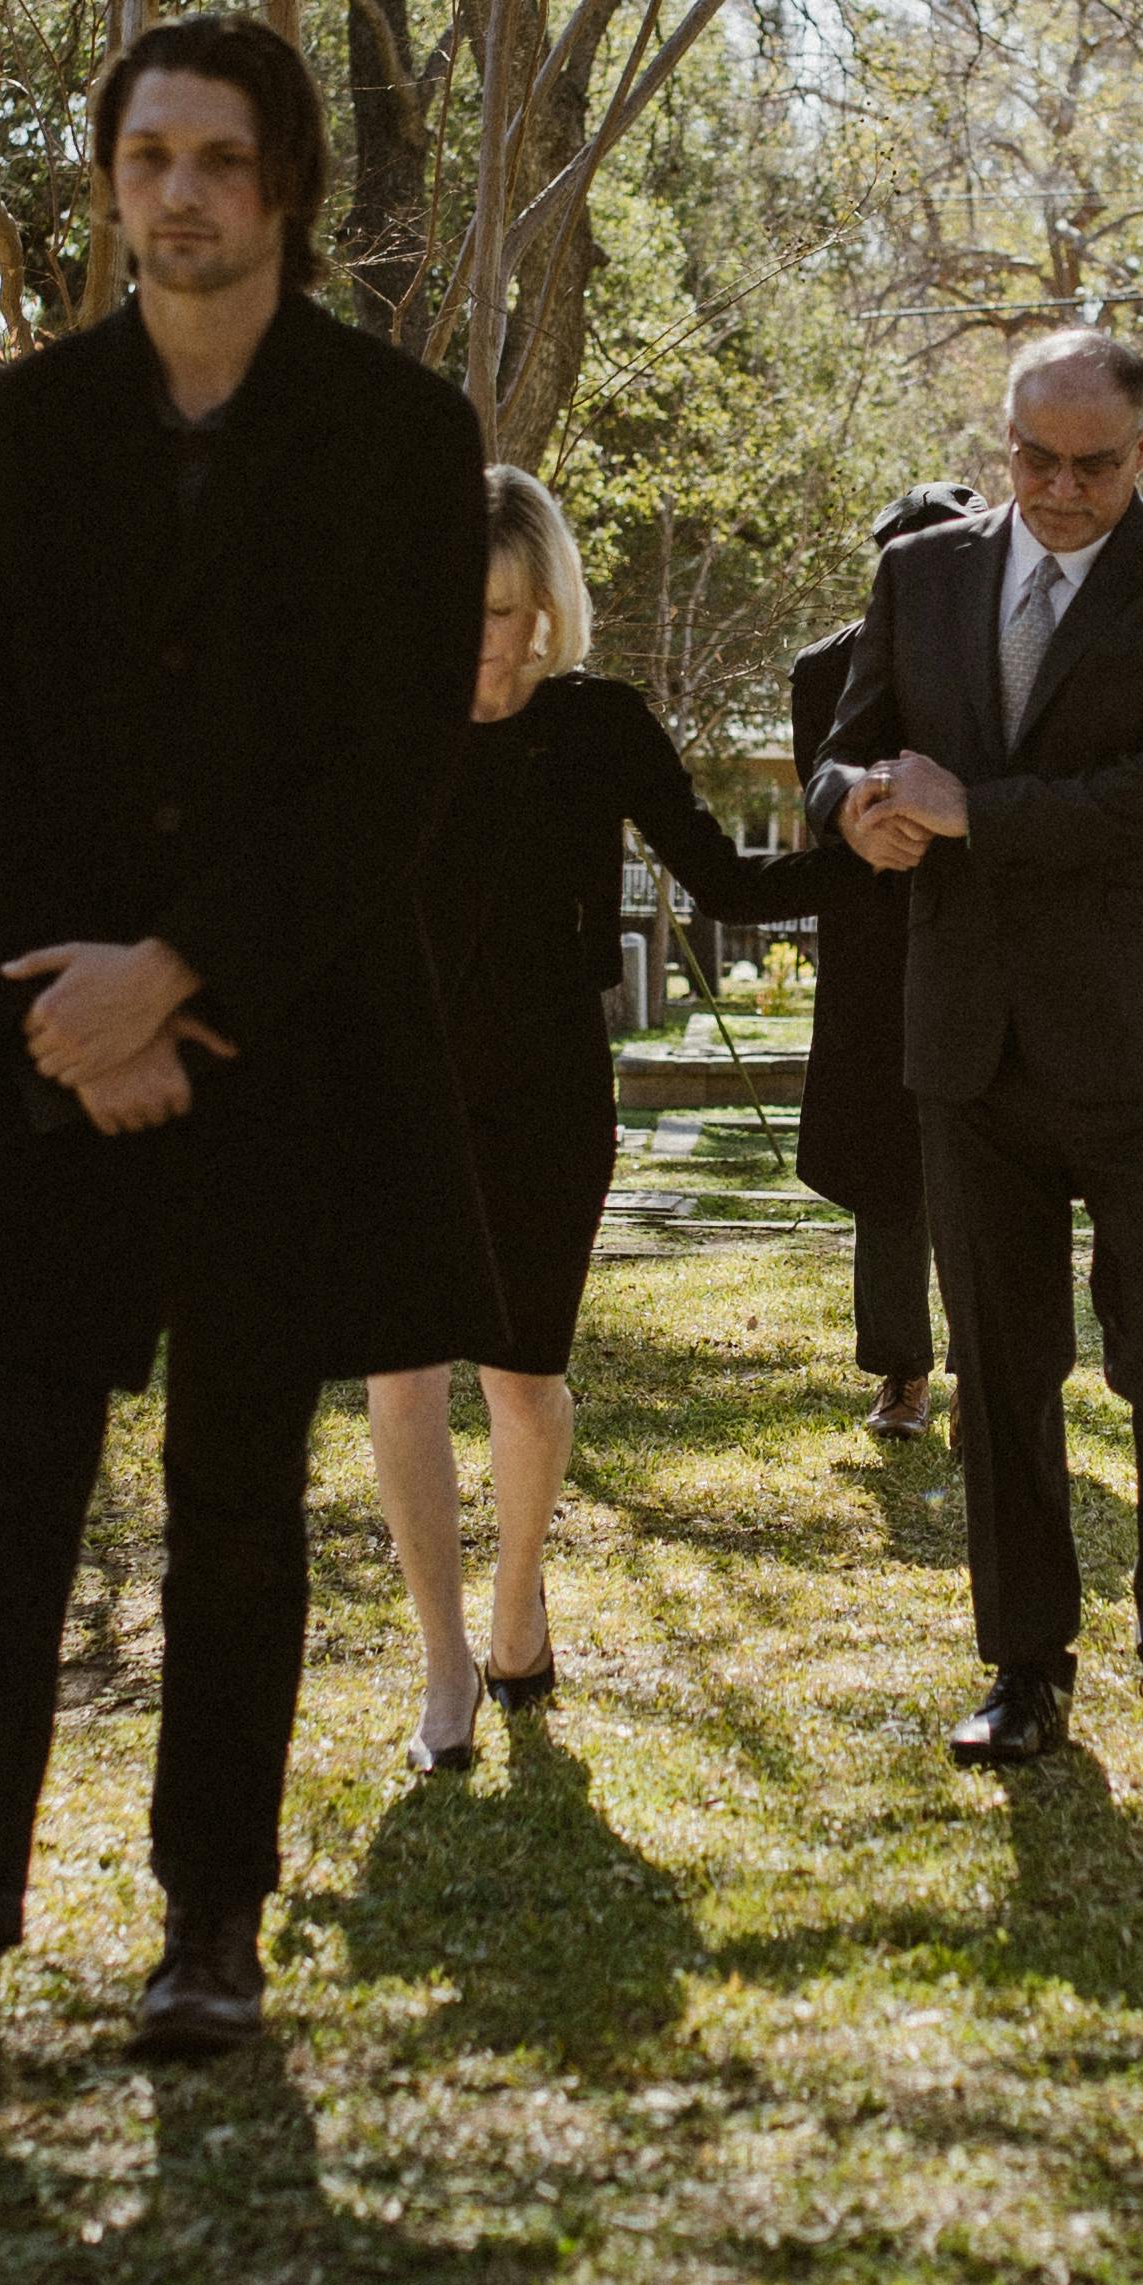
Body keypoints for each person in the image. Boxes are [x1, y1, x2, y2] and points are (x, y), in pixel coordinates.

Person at [0, 14, 490, 2105]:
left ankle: (210, 1938)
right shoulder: (13, 439)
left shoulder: (397, 435)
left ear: (282, 191)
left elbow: (393, 770)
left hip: (283, 1057)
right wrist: (63, 1019)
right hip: (47, 1071)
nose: (177, 193)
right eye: (145, 155)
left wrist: (183, 976)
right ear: (107, 183)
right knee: (4, 1501)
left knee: (235, 1503)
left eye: (219, 159)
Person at [809, 329, 1143, 1777]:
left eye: (1093, 464)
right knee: (1001, 1374)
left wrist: (967, 815)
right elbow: (845, 749)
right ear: (1001, 440)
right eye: (1034, 459)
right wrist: (860, 806)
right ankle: (1023, 1670)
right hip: (972, 1044)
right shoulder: (920, 574)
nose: (1061, 491)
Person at [371, 467, 838, 1764]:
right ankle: (447, 1666)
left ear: (552, 611)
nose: (492, 642)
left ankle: (519, 1605)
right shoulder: (379, 717)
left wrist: (865, 852)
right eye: (467, 612)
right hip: (399, 1086)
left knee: (523, 1383)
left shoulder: (602, 723)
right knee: (402, 1378)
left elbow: (728, 881)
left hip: (549, 1087)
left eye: (516, 613)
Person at [787, 483, 978, 1440]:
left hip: (984, 940)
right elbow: (823, 802)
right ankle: (901, 1374)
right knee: (888, 1173)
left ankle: (991, 1366)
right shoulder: (824, 670)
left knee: (989, 1164)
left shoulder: (1002, 661)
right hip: (873, 952)